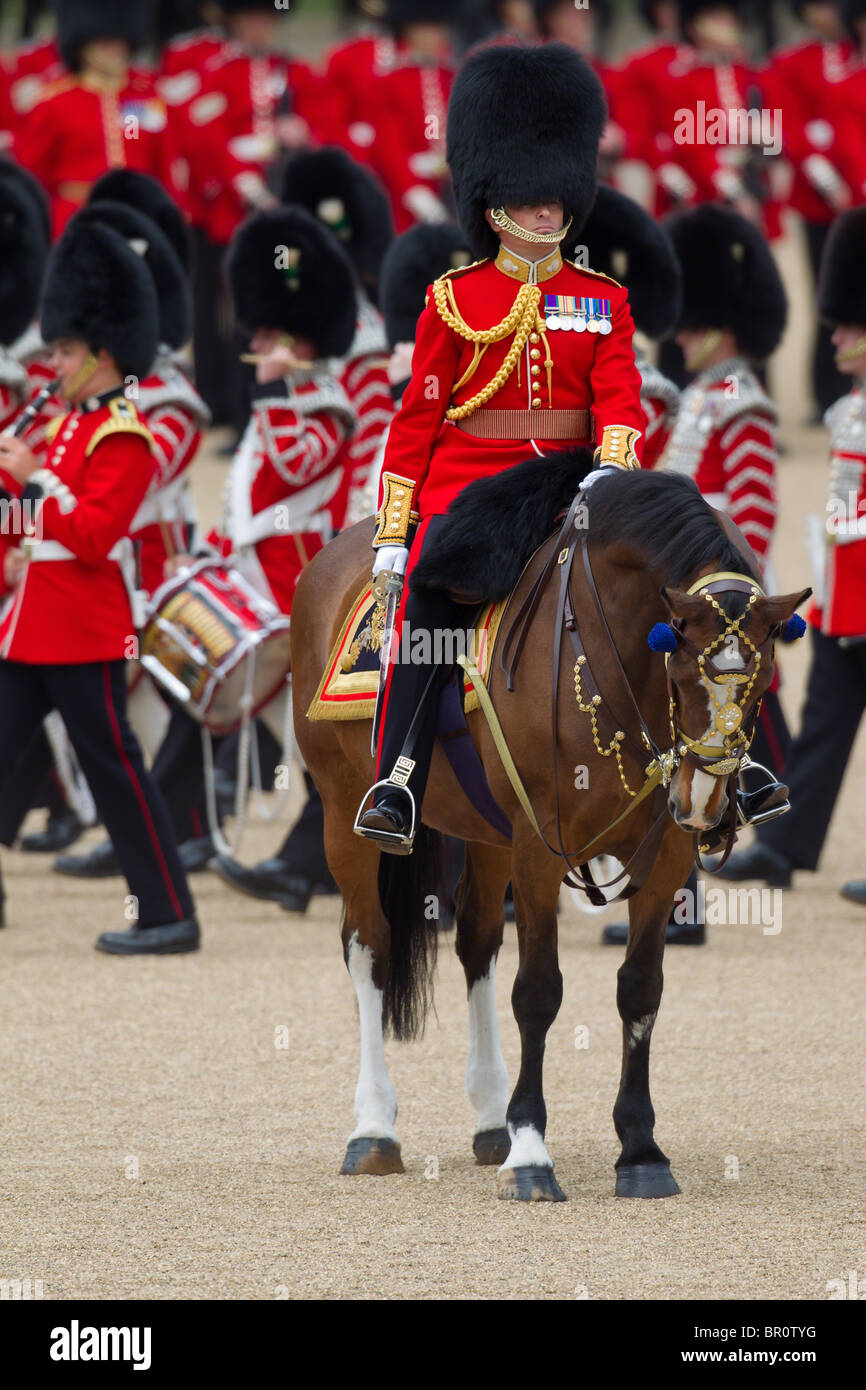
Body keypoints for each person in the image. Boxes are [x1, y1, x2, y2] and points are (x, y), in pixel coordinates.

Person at [354, 39, 645, 853]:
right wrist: (393, 533)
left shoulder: (603, 301)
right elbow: (417, 421)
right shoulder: (452, 300)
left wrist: (611, 470)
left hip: (576, 489)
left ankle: (721, 773)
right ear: (494, 208)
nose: (548, 213)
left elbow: (621, 400)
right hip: (471, 495)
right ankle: (399, 780)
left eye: (556, 200)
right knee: (431, 613)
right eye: (531, 201)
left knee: (678, 587)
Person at [0, 218, 198, 954]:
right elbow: (31, 518)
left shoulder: (123, 435)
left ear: (102, 353)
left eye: (63, 351)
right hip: (33, 624)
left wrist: (33, 480)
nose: (52, 364)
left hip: (83, 627)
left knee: (115, 773)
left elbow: (91, 535)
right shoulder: (67, 428)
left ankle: (169, 914)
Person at [718, 206, 866, 898]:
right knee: (823, 725)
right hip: (847, 599)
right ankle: (784, 844)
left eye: (849, 326)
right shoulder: (851, 408)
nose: (835, 335)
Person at [662, 202, 793, 833]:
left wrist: (739, 594)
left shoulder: (742, 400)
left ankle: (767, 802)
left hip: (725, 586)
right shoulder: (698, 395)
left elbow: (755, 510)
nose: (681, 337)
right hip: (688, 580)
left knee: (747, 693)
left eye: (693, 326)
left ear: (722, 326)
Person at [761, 1, 856, 417]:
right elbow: (788, 125)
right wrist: (826, 178)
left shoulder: (855, 55)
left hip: (857, 188)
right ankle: (830, 391)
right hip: (818, 201)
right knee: (828, 294)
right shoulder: (793, 61)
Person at [13, 0, 178, 239]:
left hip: (138, 218)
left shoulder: (142, 97)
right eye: (103, 42)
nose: (113, 49)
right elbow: (33, 176)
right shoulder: (55, 103)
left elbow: (155, 158)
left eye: (118, 41)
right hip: (76, 221)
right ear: (82, 45)